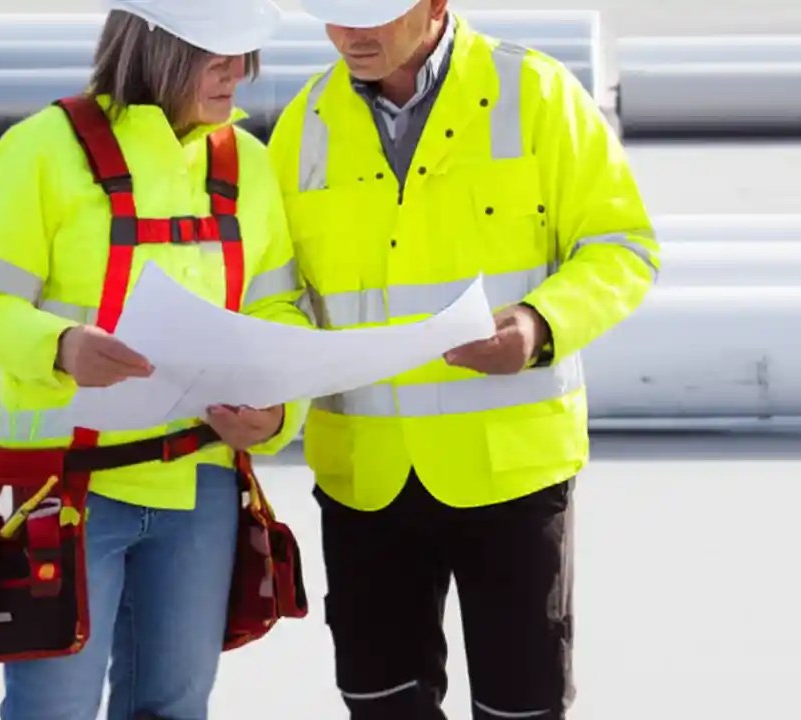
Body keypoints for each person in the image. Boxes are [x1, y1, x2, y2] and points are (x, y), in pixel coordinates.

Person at [266, 1, 661, 718]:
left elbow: (621, 247)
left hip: (510, 473)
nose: (351, 34)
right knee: (380, 703)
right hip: (365, 482)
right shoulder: (302, 127)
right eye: (336, 14)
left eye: (375, 14)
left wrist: (541, 324)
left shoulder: (535, 94)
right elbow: (283, 299)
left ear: (436, 5)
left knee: (521, 708)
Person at [0, 1, 312, 718]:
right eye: (217, 57)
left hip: (198, 490)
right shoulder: (42, 149)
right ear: (158, 48)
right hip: (64, 489)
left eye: (244, 57)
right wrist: (61, 347)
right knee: (52, 708)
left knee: (175, 707)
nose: (238, 75)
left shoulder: (249, 164)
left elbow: (277, 312)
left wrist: (276, 415)